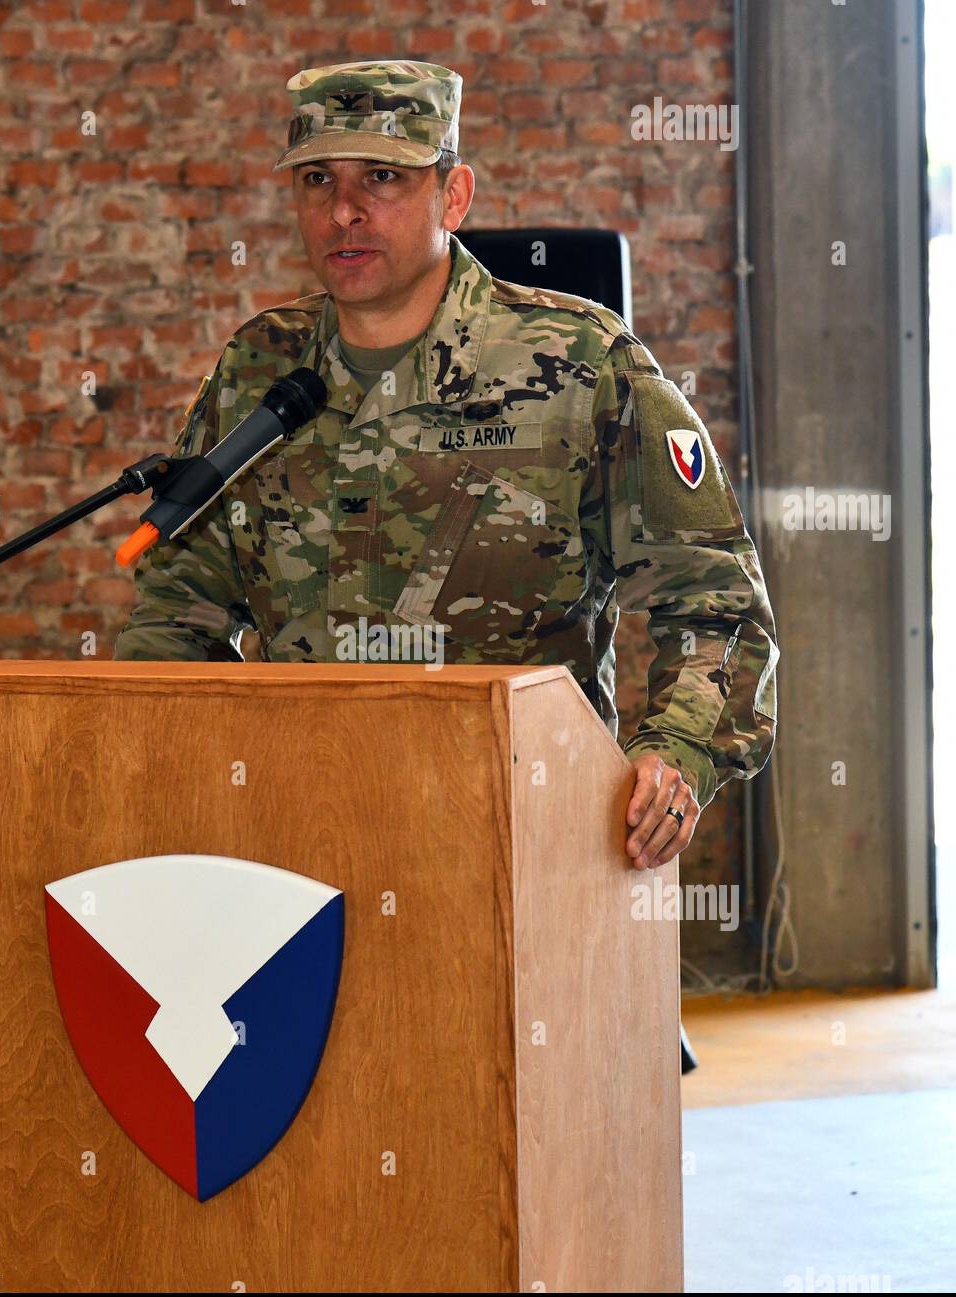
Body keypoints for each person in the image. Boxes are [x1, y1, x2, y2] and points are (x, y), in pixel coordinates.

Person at [116, 61, 780, 1066]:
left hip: (524, 859)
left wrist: (676, 754)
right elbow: (180, 607)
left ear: (452, 192)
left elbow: (715, 603)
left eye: (382, 178)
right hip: (296, 874)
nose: (345, 209)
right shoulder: (261, 369)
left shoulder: (583, 365)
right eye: (316, 180)